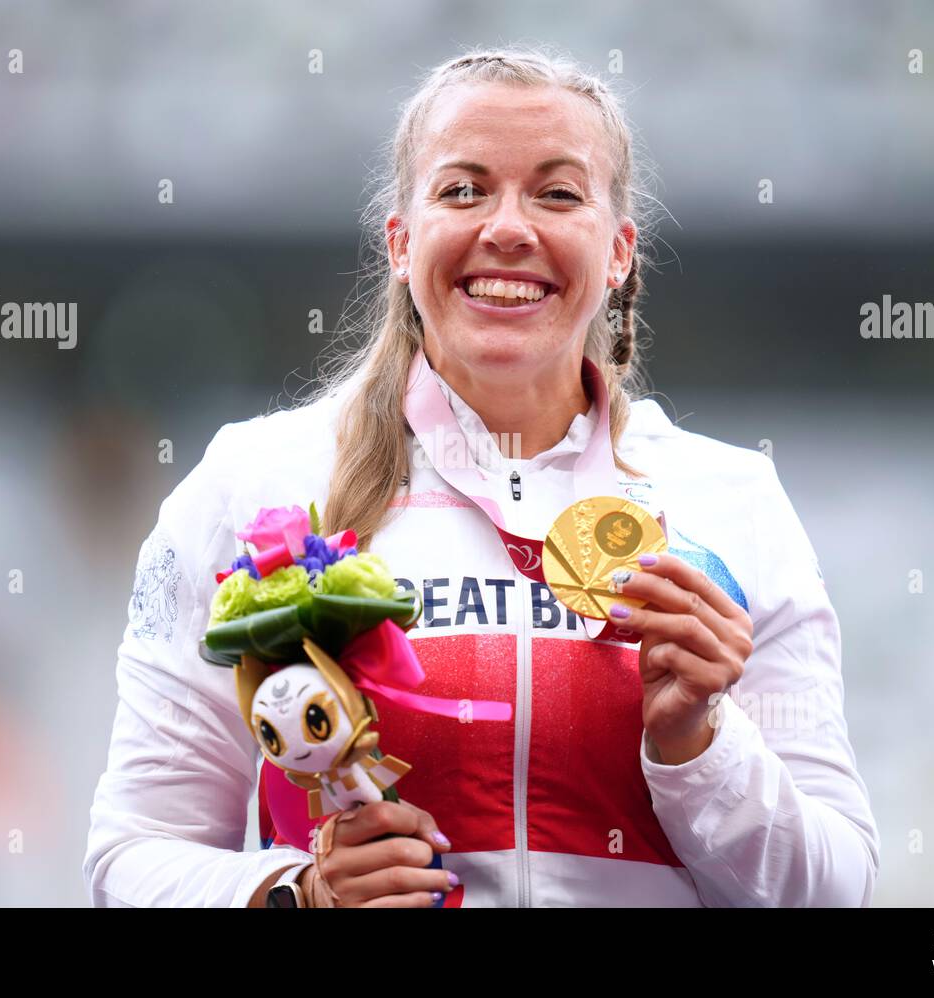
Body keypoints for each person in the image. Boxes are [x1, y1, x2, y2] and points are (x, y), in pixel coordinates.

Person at [83, 45, 880, 908]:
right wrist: (297, 894)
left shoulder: (733, 502)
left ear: (618, 252)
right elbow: (130, 860)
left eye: (558, 193)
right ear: (401, 241)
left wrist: (700, 744)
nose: (508, 227)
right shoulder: (254, 482)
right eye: (463, 190)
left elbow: (834, 890)